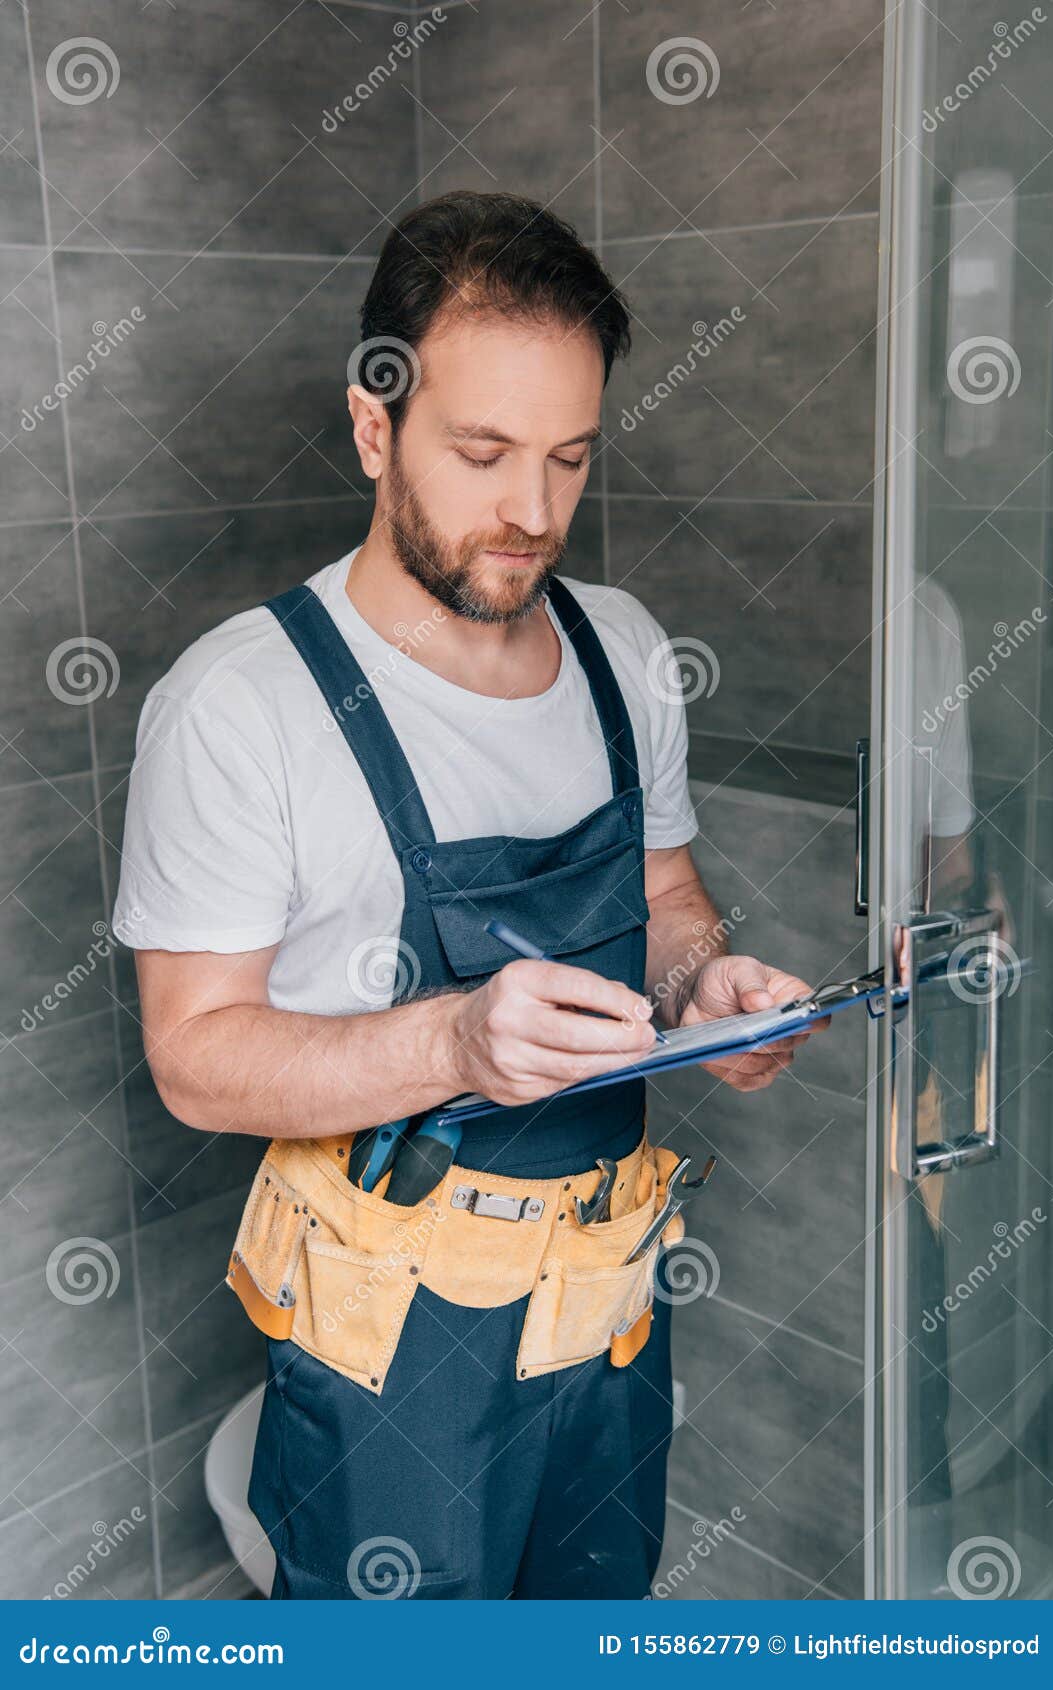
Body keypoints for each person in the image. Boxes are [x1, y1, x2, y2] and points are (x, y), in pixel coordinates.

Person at [113, 190, 823, 1600]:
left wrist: (706, 991)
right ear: (377, 425)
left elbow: (668, 895)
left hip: (607, 1304)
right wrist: (453, 1042)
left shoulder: (622, 649)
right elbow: (195, 1056)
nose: (534, 512)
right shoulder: (241, 706)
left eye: (569, 458)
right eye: (484, 452)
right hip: (387, 1345)